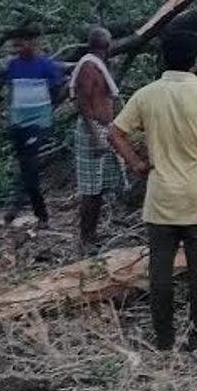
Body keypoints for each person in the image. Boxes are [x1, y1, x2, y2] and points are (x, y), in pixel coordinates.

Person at [109, 30, 197, 350]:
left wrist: (137, 164)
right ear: (196, 61)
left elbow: (115, 133)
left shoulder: (146, 95)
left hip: (160, 197)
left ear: (163, 59)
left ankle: (164, 337)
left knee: (160, 273)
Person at [70, 27, 128, 253]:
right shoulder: (88, 67)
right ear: (109, 45)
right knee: (91, 189)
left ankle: (91, 235)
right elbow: (83, 101)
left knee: (100, 187)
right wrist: (94, 134)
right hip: (92, 130)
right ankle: (85, 239)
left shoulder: (96, 65)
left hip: (102, 128)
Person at [2, 24, 64, 228]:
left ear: (35, 42)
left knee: (29, 167)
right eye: (18, 42)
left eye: (25, 41)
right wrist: (9, 117)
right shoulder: (12, 66)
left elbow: (56, 91)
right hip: (18, 122)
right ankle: (22, 207)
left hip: (37, 123)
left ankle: (39, 213)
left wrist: (45, 114)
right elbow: (11, 92)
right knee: (23, 166)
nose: (20, 45)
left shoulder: (46, 66)